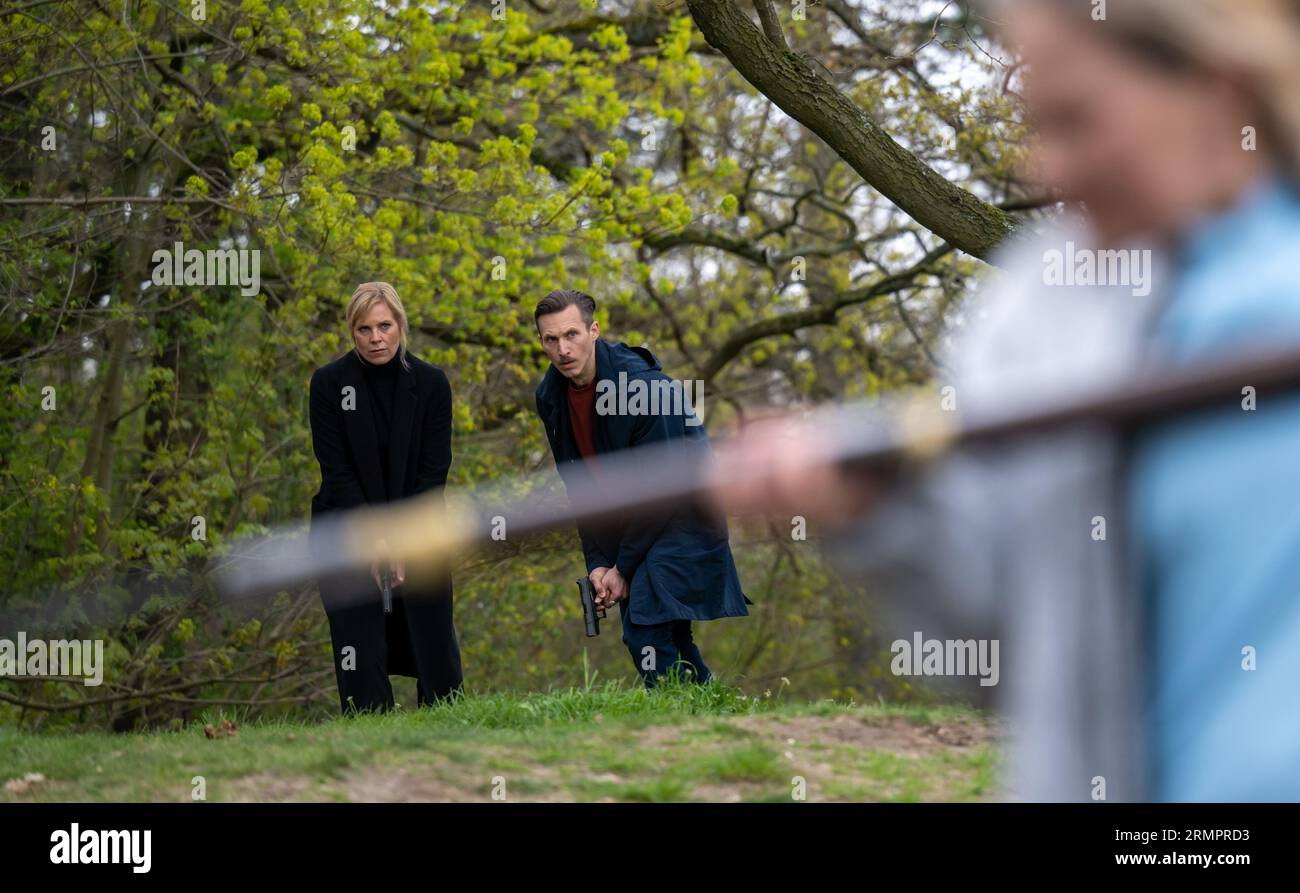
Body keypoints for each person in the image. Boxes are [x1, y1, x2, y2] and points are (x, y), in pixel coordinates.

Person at [711, 0, 1300, 801]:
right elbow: (1005, 647)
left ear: (1220, 94)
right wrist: (877, 510)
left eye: (1077, 118)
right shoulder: (1038, 306)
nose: (1044, 170)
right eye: (1034, 121)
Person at [533, 289, 749, 686]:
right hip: (632, 519)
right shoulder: (551, 396)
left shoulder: (641, 386)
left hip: (682, 512)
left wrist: (623, 568)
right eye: (551, 339)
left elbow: (661, 487)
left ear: (593, 331)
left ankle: (671, 723)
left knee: (643, 630)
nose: (563, 349)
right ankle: (709, 713)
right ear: (541, 342)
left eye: (572, 335)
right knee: (670, 632)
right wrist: (598, 562)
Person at [309, 282, 463, 713]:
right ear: (351, 332)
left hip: (418, 523)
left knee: (435, 648)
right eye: (364, 329)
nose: (376, 338)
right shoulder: (328, 385)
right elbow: (336, 472)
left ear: (400, 326)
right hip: (345, 527)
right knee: (359, 652)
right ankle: (368, 735)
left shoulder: (432, 383)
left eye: (384, 326)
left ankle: (447, 728)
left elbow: (434, 473)